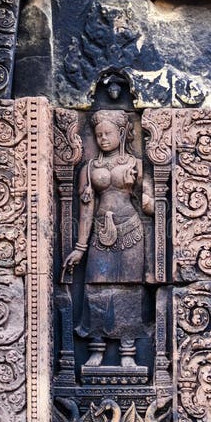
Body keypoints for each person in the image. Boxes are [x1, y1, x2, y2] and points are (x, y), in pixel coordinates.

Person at [63, 110, 153, 369]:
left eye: (108, 134)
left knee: (129, 290)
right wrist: (80, 248)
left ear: (121, 133)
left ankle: (128, 352)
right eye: (98, 134)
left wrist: (135, 187)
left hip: (131, 231)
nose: (102, 139)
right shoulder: (90, 168)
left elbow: (152, 207)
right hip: (101, 234)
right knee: (96, 289)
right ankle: (97, 349)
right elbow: (86, 211)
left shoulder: (135, 165)